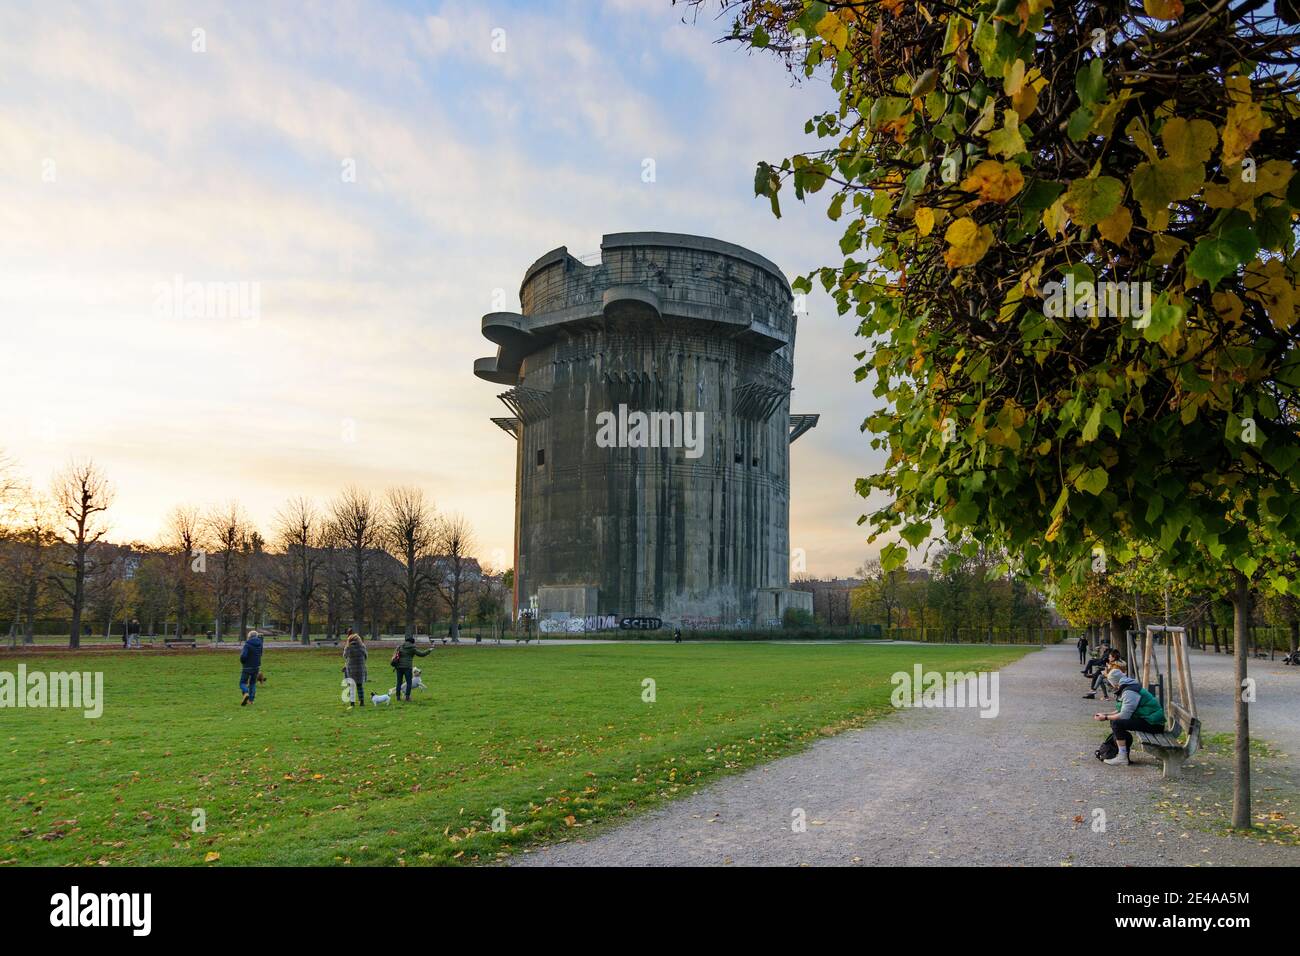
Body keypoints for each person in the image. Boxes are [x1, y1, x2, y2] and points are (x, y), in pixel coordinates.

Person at [1093, 669, 1166, 766]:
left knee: (1116, 723)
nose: (1111, 686)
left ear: (1115, 683)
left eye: (1110, 684)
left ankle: (1122, 757)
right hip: (1149, 720)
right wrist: (1106, 714)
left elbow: (1124, 715)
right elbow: (1122, 710)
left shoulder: (1129, 692)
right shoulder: (1128, 686)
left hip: (1154, 724)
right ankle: (1121, 751)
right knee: (1114, 721)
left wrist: (1106, 718)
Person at [392, 635, 431, 701]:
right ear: (412, 642)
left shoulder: (400, 646)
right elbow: (421, 654)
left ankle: (398, 697)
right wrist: (429, 650)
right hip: (407, 667)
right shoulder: (412, 648)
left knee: (399, 682)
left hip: (398, 667)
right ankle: (407, 697)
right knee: (409, 682)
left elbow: (395, 655)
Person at [343, 629, 368, 707]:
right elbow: (366, 656)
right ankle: (362, 701)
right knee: (360, 686)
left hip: (351, 669)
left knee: (351, 686)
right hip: (360, 668)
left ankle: (352, 703)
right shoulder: (362, 647)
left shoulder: (348, 647)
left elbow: (344, 656)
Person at [239, 630, 264, 706]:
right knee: (252, 683)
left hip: (247, 667)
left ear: (249, 636)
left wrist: (243, 662)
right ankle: (251, 701)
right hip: (256, 666)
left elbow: (243, 656)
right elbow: (261, 654)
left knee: (242, 683)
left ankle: (246, 693)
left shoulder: (247, 644)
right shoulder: (260, 643)